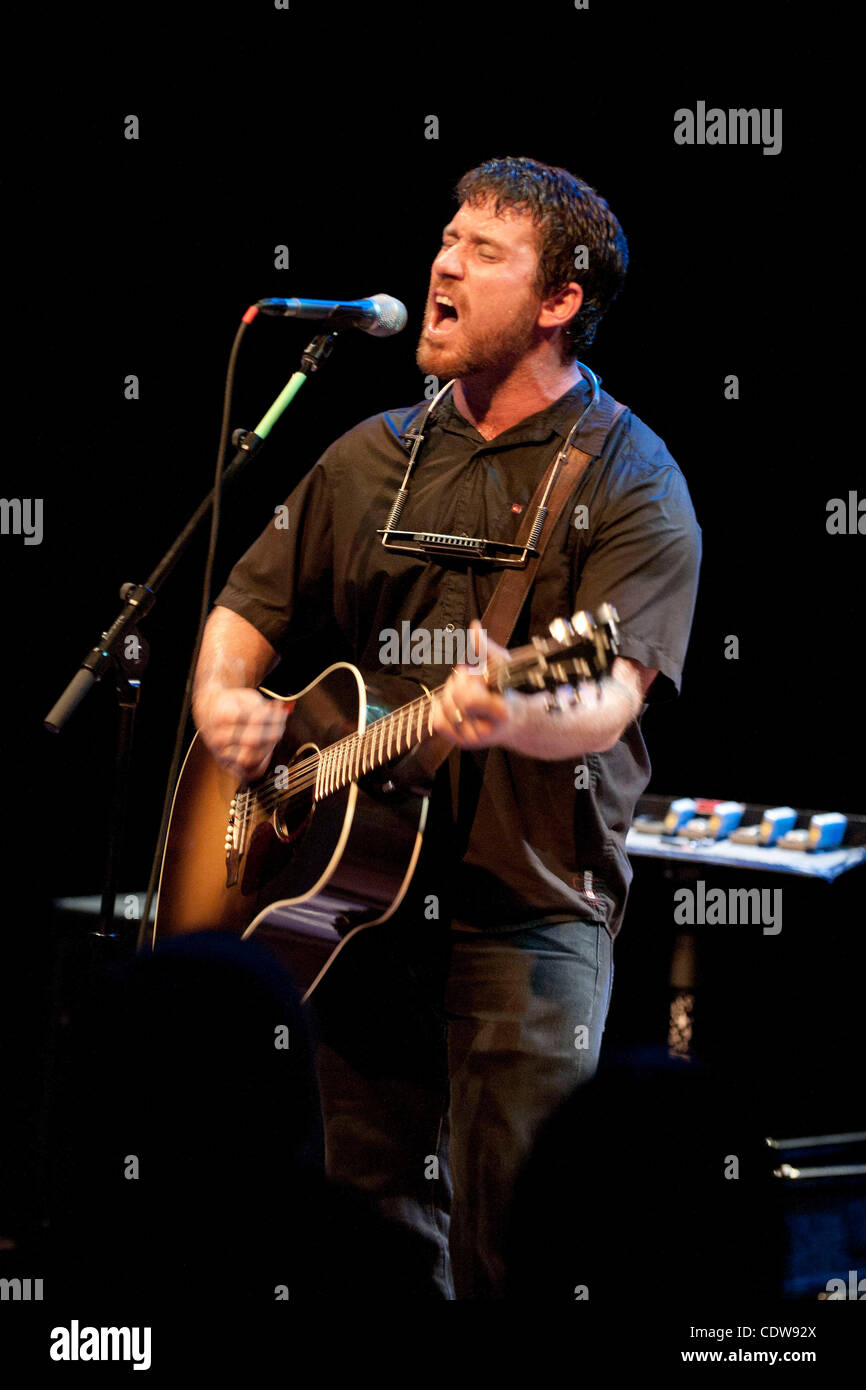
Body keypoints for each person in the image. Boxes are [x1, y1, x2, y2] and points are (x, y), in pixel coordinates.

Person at [191, 155, 702, 1299]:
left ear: (558, 301)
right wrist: (223, 698)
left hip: (527, 920)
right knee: (364, 1239)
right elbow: (243, 606)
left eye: (483, 250)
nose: (442, 264)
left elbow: (607, 700)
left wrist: (512, 718)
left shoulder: (630, 478)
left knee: (517, 1245)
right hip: (352, 912)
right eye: (445, 238)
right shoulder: (370, 454)